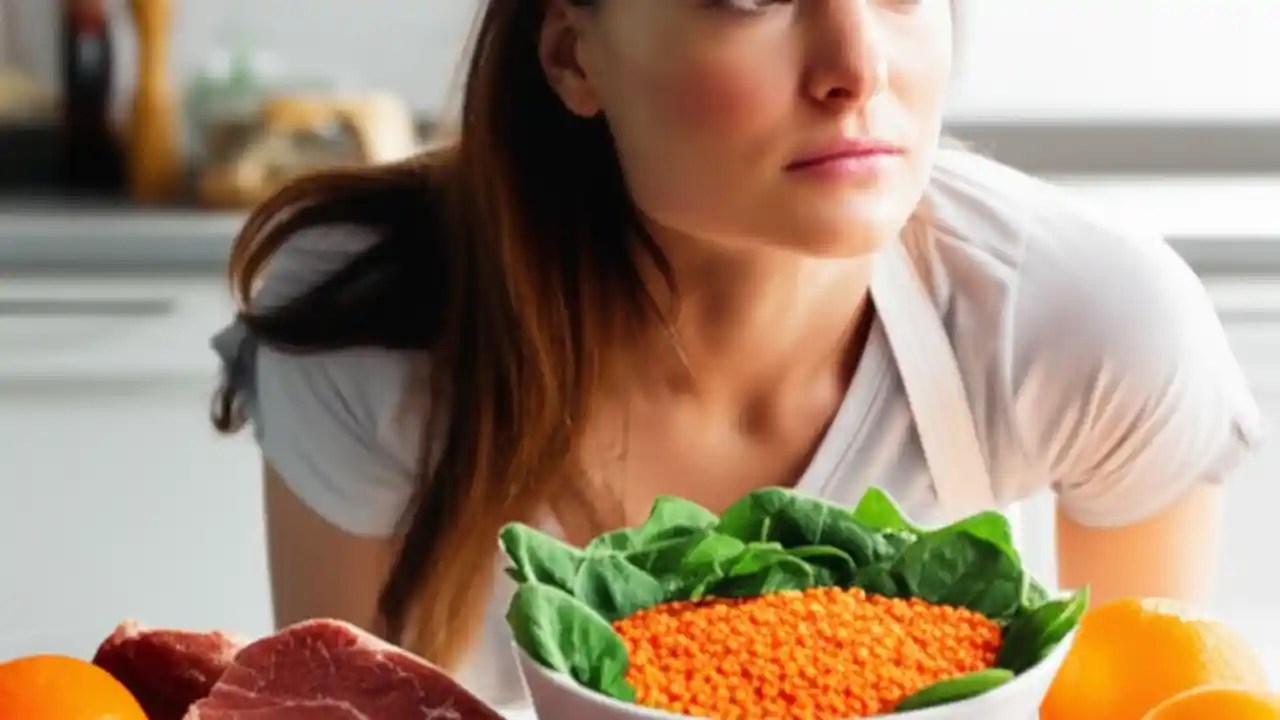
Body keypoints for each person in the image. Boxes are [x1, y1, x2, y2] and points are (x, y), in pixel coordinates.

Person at [211, 0, 1263, 708]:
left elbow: (1149, 701)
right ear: (573, 55)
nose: (858, 68)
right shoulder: (372, 324)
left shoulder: (1089, 320)